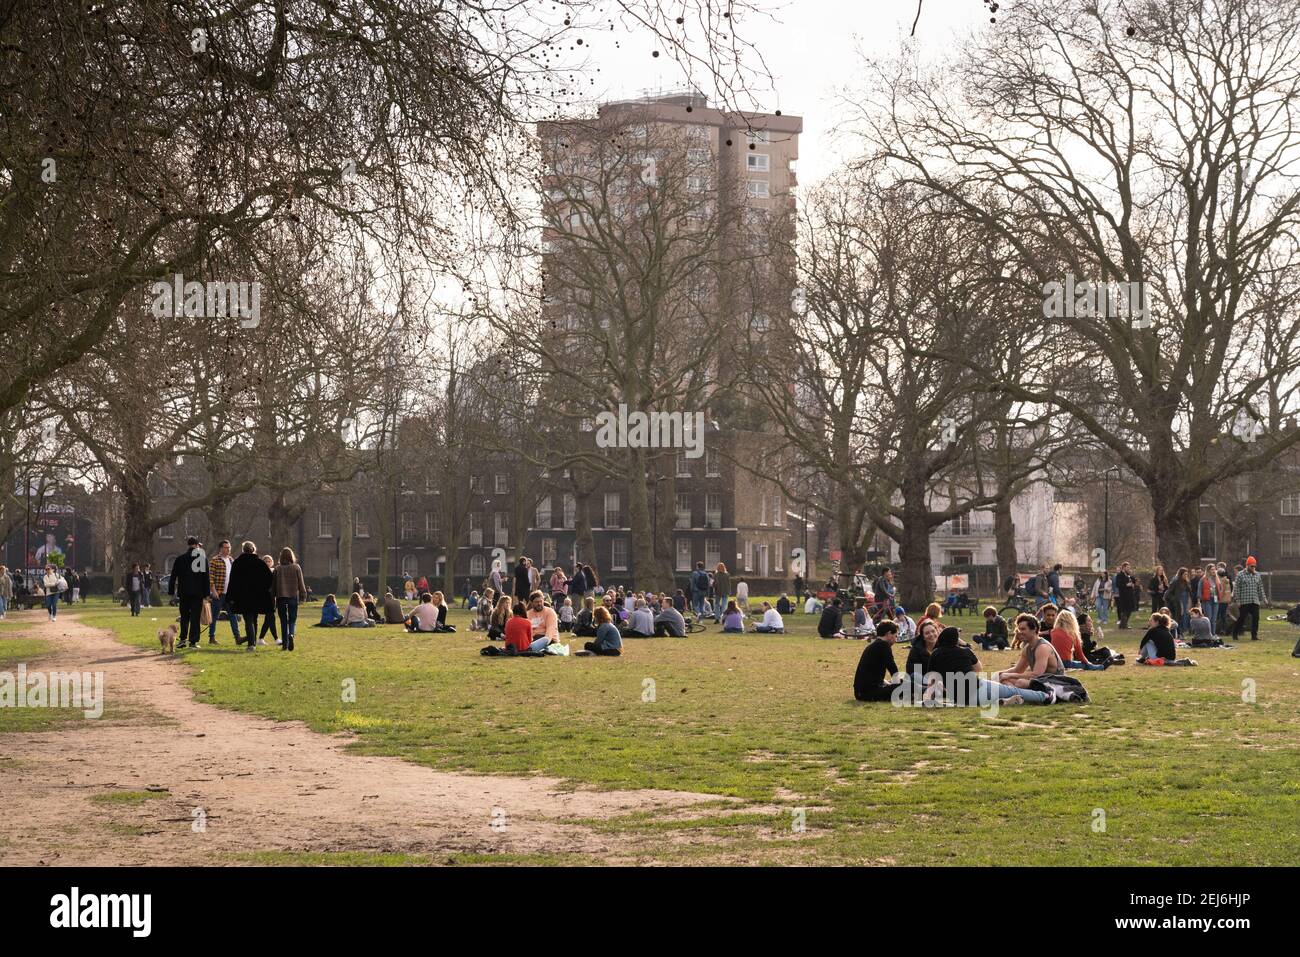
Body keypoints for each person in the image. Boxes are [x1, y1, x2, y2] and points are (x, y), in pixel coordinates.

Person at [995, 615, 1066, 688]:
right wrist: (999, 674)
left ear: (1034, 629)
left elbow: (1036, 674)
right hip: (1040, 681)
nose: (1020, 632)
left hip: (1056, 683)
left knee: (1020, 682)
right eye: (1019, 629)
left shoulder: (1042, 647)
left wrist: (1009, 675)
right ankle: (1014, 696)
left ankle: (1014, 693)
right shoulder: (1028, 648)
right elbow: (1018, 669)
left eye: (1023, 629)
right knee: (1003, 679)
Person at [226, 541, 272, 651]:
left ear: (243, 550)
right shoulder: (260, 563)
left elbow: (233, 581)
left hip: (243, 596)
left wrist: (230, 596)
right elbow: (270, 578)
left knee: (248, 620)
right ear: (254, 549)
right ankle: (253, 641)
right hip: (257, 595)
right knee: (254, 619)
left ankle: (251, 644)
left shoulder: (238, 563)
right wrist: (263, 589)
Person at [167, 538, 207, 647]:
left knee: (184, 616)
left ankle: (182, 639)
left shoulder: (180, 559)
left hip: (184, 592)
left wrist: (171, 591)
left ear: (188, 545)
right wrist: (207, 593)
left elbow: (173, 576)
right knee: (195, 617)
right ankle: (193, 641)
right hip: (197, 593)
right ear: (197, 545)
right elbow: (205, 578)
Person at [853, 621, 902, 702]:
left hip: (860, 692)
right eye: (895, 636)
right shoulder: (884, 645)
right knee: (908, 685)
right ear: (889, 634)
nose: (895, 640)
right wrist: (898, 686)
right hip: (869, 693)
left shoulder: (874, 645)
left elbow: (873, 675)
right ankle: (925, 691)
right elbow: (893, 669)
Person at [272, 547, 307, 650]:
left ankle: (284, 644)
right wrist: (303, 595)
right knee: (292, 619)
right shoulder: (296, 567)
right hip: (293, 596)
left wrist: (272, 598)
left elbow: (273, 586)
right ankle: (291, 634)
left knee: (283, 621)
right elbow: (301, 583)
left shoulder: (277, 569)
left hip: (281, 597)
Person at [207, 540, 241, 645]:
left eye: (229, 547)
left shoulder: (231, 560)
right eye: (226, 547)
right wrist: (213, 591)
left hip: (229, 593)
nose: (228, 549)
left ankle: (237, 637)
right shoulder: (215, 560)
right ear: (221, 548)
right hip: (219, 593)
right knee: (214, 615)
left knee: (233, 615)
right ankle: (211, 637)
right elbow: (210, 577)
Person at [1231, 556, 1264, 642]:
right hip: (1244, 601)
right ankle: (1235, 633)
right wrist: (1238, 600)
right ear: (1247, 565)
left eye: (1254, 566)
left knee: (1256, 618)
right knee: (1242, 618)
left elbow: (1260, 588)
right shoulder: (1240, 575)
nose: (1253, 568)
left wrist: (1264, 598)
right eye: (1251, 566)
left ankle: (1254, 636)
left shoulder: (1257, 575)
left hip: (1255, 600)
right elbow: (1237, 589)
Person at [257, 554, 280, 647]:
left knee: (268, 619)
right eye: (265, 561)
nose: (267, 562)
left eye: (269, 561)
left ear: (272, 562)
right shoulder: (259, 572)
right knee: (271, 618)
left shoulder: (275, 571)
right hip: (264, 597)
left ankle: (261, 638)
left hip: (272, 598)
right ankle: (276, 638)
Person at [1114, 561, 1139, 629]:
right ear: (1123, 567)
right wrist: (1126, 585)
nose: (1129, 568)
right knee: (1125, 610)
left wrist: (1133, 579)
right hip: (1123, 595)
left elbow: (1134, 581)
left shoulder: (1129, 575)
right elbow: (1118, 584)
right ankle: (1124, 625)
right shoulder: (1119, 575)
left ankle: (1123, 624)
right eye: (1127, 567)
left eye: (1129, 567)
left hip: (1130, 595)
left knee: (1129, 610)